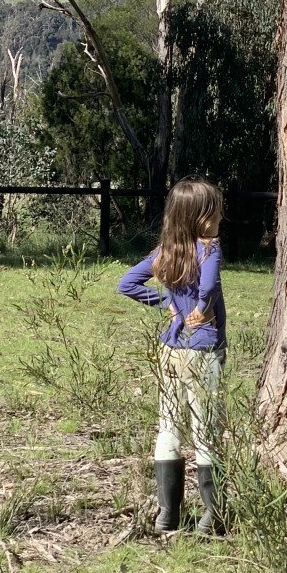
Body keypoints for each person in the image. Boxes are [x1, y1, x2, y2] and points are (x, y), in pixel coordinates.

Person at [117, 178, 227, 536]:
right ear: (198, 216)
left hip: (171, 348)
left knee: (169, 426)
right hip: (204, 347)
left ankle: (168, 514)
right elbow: (208, 285)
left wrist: (167, 303)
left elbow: (128, 283)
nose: (220, 215)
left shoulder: (165, 251)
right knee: (206, 428)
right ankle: (212, 516)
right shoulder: (209, 249)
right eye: (214, 209)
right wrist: (200, 307)